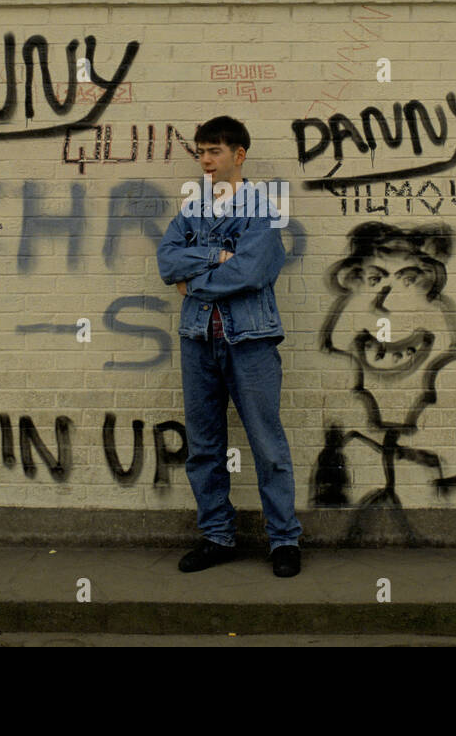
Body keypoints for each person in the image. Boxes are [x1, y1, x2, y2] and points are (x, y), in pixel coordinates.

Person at [155, 116, 303, 577]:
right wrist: (216, 257)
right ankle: (217, 536)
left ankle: (283, 541)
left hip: (250, 340)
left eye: (214, 152)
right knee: (204, 447)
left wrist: (194, 283)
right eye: (201, 152)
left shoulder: (261, 209)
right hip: (198, 340)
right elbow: (166, 260)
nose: (205, 161)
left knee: (267, 446)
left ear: (239, 155)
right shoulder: (193, 210)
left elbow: (254, 271)